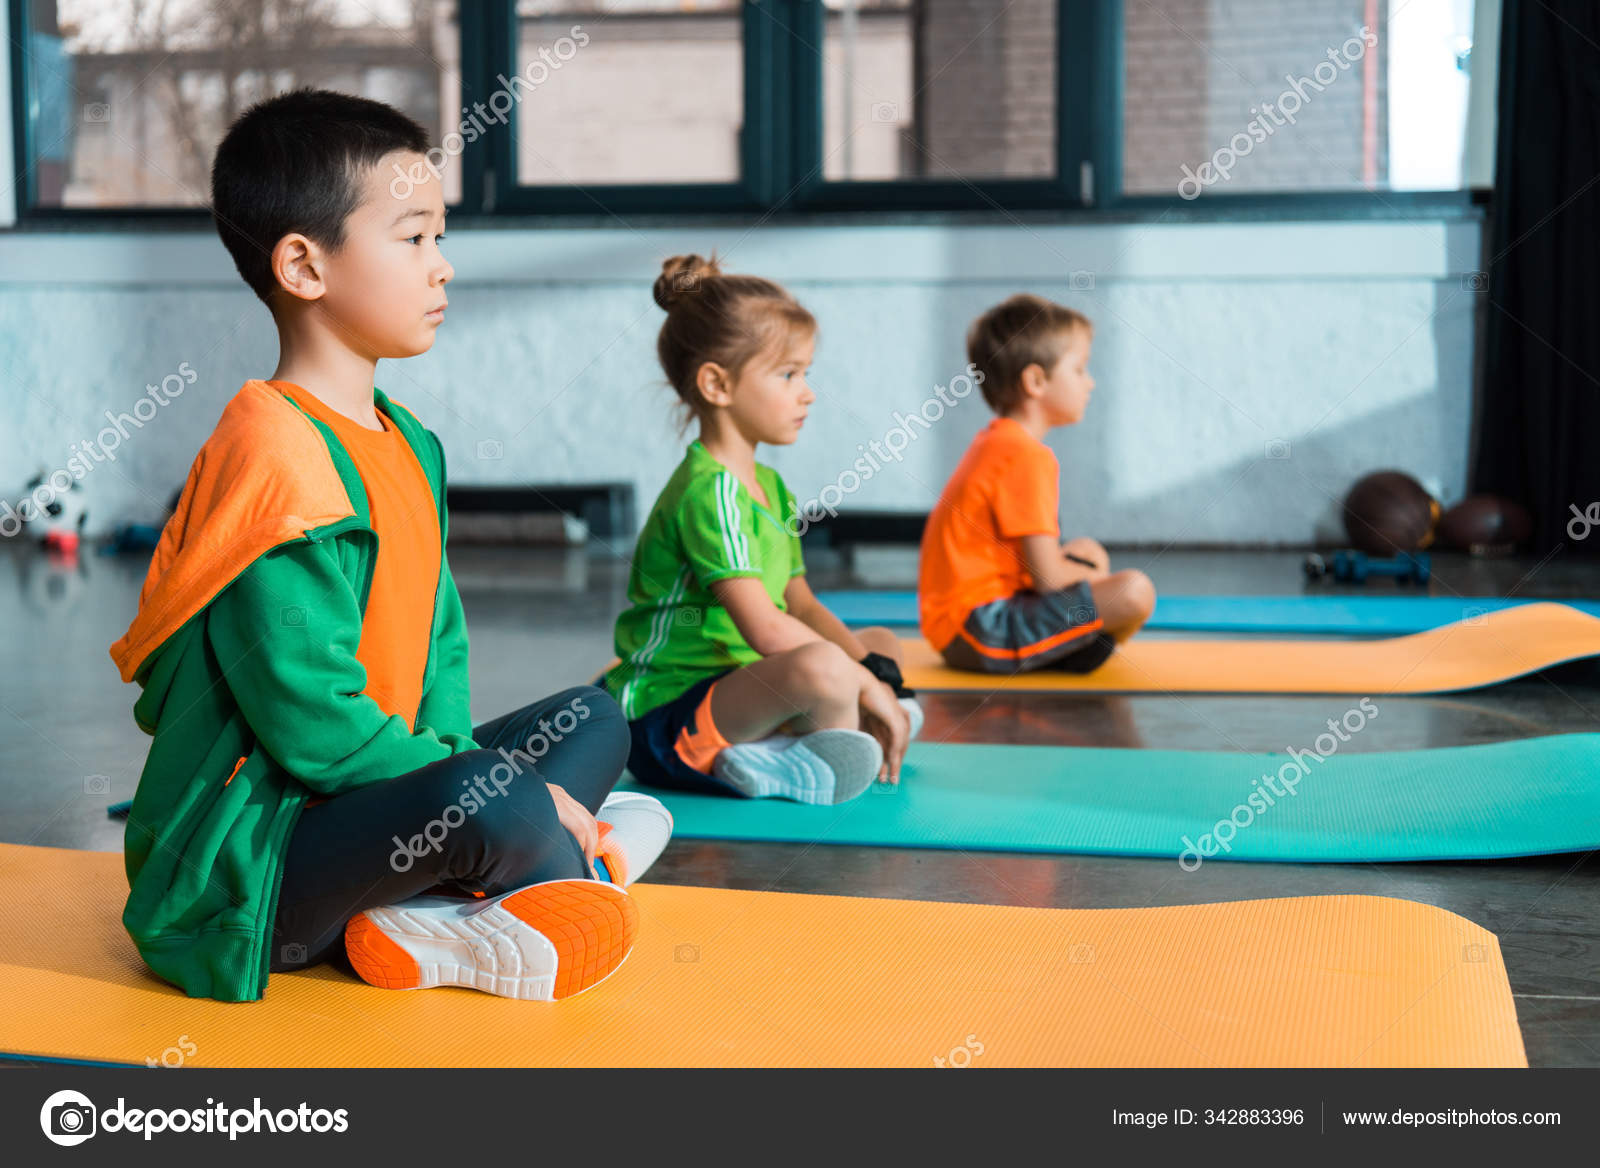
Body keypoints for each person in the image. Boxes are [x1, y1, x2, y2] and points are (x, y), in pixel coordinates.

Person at [109, 89, 670, 1004]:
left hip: (371, 813)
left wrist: (468, 766)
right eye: (413, 239)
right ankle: (516, 870)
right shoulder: (274, 451)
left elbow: (440, 645)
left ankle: (457, 894)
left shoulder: (409, 442)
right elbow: (315, 727)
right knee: (499, 794)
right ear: (303, 265)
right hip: (264, 865)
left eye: (439, 238)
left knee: (595, 718)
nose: (442, 267)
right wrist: (492, 789)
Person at [604, 254, 921, 806]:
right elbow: (767, 631)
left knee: (876, 643)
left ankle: (781, 752)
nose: (809, 393)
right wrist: (865, 685)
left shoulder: (769, 487)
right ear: (717, 384)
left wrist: (874, 669)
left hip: (736, 688)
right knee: (830, 668)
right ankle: (764, 752)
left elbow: (799, 600)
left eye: (806, 374)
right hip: (663, 723)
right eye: (788, 374)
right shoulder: (710, 491)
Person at [919, 294, 1156, 674]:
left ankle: (1064, 645)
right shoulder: (1025, 456)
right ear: (1036, 381)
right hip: (981, 628)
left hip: (960, 628)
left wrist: (1088, 571)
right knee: (1133, 591)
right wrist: (1099, 580)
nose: (1090, 383)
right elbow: (1048, 578)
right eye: (1079, 370)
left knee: (1087, 550)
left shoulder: (997, 442)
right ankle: (1064, 648)